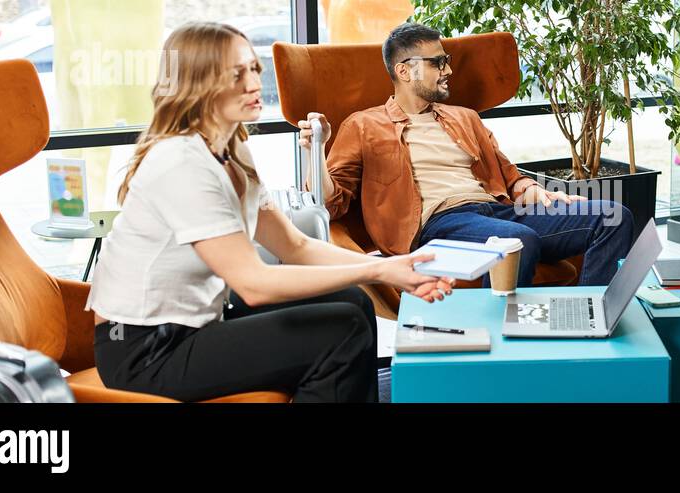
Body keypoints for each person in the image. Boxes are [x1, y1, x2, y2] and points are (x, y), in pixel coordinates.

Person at [86, 22, 453, 403]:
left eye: (254, 69)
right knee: (340, 330)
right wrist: (378, 269)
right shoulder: (182, 162)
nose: (254, 83)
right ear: (199, 84)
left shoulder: (232, 150)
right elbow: (254, 284)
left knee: (352, 301)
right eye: (236, 74)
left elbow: (295, 245)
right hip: (146, 351)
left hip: (201, 318)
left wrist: (394, 268)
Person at [298, 23, 634, 287]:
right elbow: (330, 203)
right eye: (437, 63)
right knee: (517, 241)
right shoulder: (364, 125)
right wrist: (316, 151)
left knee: (613, 217)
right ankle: (504, 349)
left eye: (447, 61)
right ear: (404, 71)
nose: (447, 70)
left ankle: (591, 323)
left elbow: (509, 176)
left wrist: (530, 190)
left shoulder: (464, 117)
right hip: (438, 225)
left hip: (495, 213)